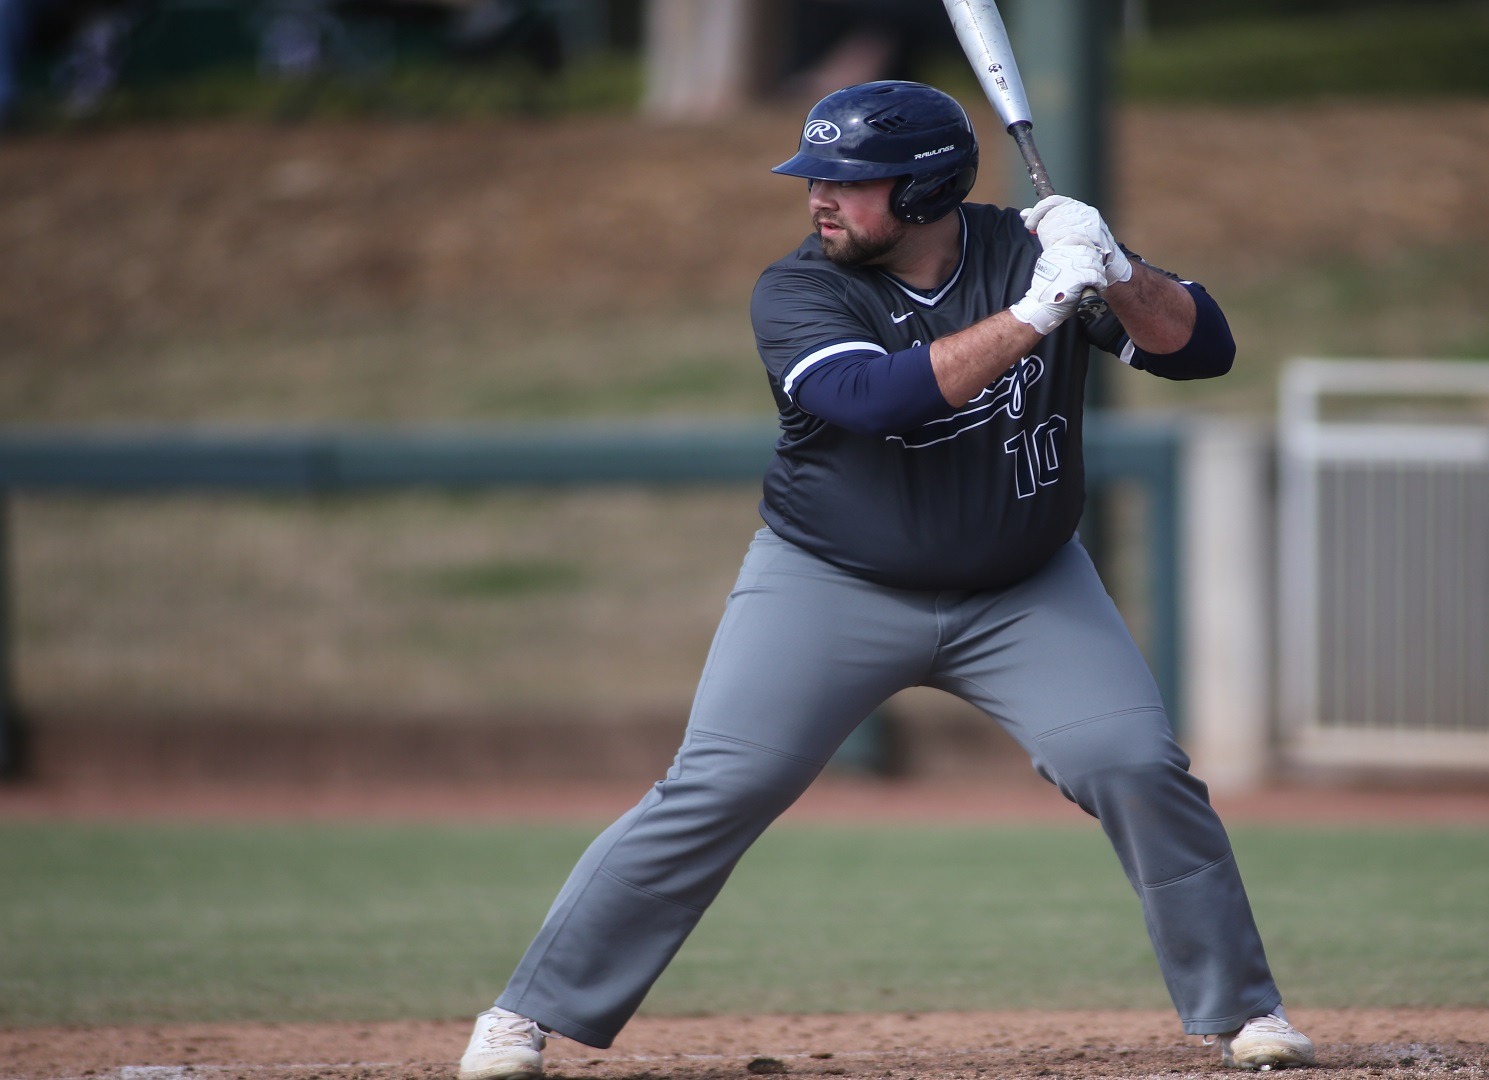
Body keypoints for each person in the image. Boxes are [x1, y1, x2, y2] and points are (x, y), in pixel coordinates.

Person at [457, 80, 1316, 1080]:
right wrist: (1041, 312)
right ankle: (525, 1017)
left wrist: (1117, 269)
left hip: (1023, 589)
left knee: (1135, 766)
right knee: (718, 785)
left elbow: (1200, 351)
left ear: (925, 191)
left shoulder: (1024, 250)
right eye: (815, 178)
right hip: (830, 583)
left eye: (848, 181)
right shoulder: (798, 289)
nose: (819, 197)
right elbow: (873, 400)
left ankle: (1243, 1013)